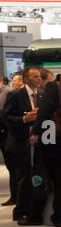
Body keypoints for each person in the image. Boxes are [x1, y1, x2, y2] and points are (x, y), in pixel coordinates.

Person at [33, 64, 61, 227]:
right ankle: (59, 216)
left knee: (43, 176)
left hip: (51, 139)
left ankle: (36, 215)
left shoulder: (53, 87)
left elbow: (43, 113)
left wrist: (35, 133)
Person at [3, 67, 47, 223]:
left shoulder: (42, 95)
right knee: (24, 177)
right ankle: (20, 210)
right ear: (26, 79)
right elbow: (6, 117)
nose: (39, 79)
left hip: (38, 142)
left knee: (36, 176)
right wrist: (24, 119)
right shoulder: (15, 95)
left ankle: (33, 208)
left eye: (39, 76)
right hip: (20, 143)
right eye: (35, 77)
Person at [0, 72, 18, 206]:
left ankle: (16, 196)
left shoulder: (8, 92)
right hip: (5, 134)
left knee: (13, 166)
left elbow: (6, 115)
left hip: (7, 134)